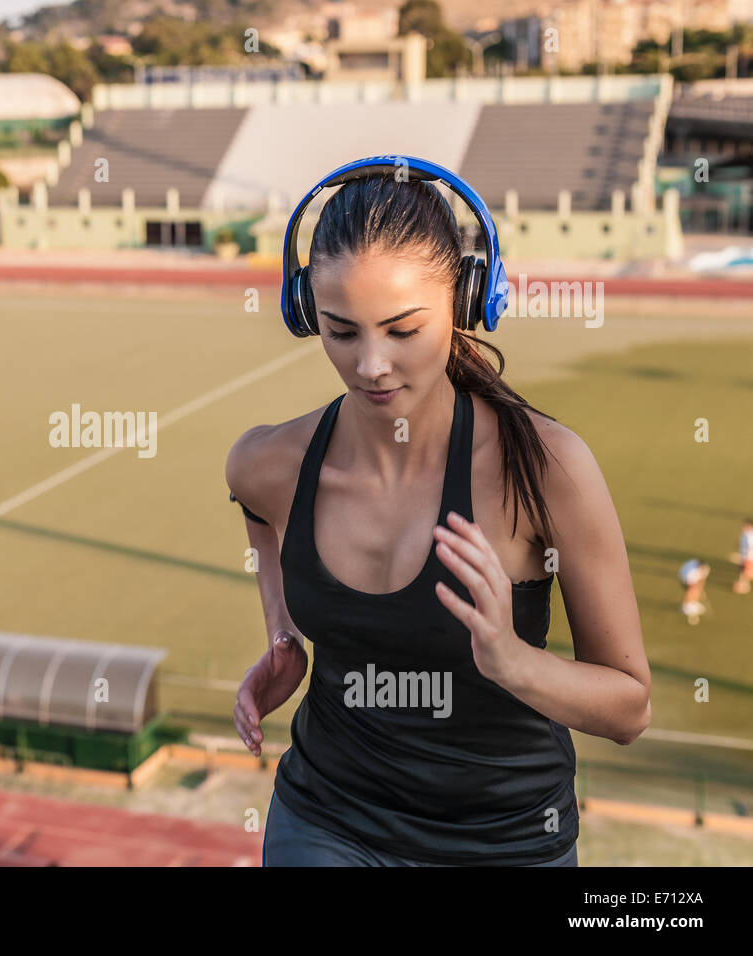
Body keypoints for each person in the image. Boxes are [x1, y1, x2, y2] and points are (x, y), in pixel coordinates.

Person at [225, 164, 651, 867]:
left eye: (402, 330)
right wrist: (284, 635)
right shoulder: (270, 462)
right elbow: (254, 508)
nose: (370, 365)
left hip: (507, 840)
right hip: (327, 819)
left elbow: (629, 710)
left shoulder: (548, 470)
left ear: (468, 301)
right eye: (341, 331)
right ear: (305, 315)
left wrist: (514, 662)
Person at [679, 559, 711, 624]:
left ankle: (693, 603)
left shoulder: (706, 568)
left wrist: (701, 589)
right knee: (692, 590)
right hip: (684, 578)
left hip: (693, 578)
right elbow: (691, 587)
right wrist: (698, 588)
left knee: (697, 589)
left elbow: (702, 579)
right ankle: (687, 606)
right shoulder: (692, 573)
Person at [733, 518, 753, 594]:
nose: (743, 527)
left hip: (748, 558)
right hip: (746, 557)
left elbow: (750, 548)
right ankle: (743, 584)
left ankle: (743, 586)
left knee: (746, 572)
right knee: (744, 572)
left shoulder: (749, 536)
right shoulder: (746, 534)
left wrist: (745, 559)